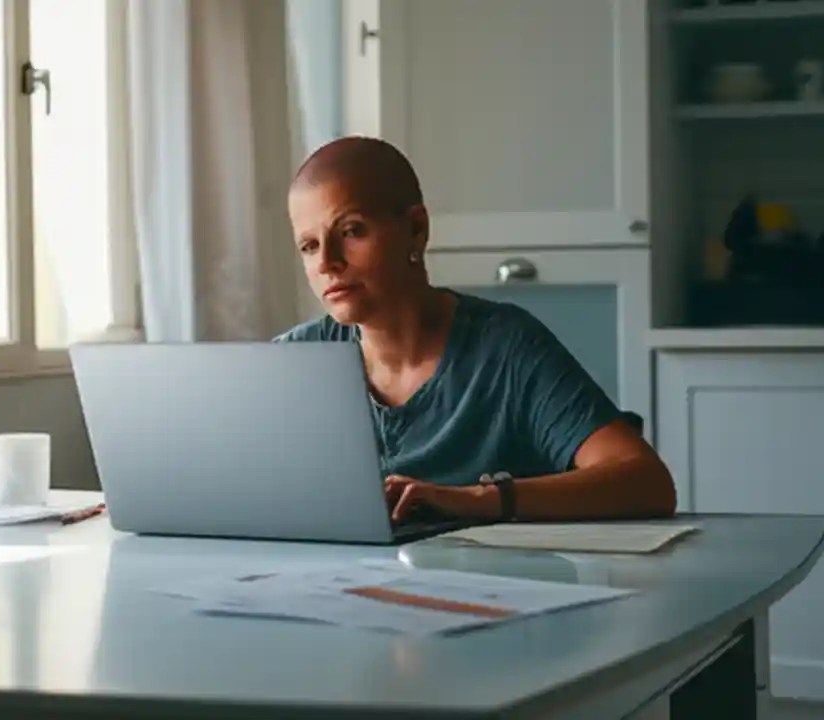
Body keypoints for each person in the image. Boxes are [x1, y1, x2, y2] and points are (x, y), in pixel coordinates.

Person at [276, 136, 676, 525]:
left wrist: (481, 501)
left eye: (351, 231)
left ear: (416, 230)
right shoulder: (292, 362)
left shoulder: (505, 347)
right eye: (309, 246)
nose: (327, 262)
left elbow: (645, 481)